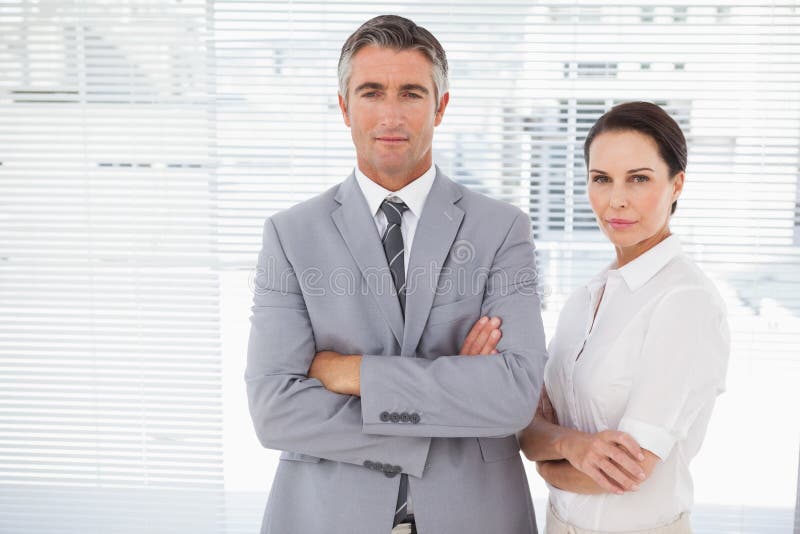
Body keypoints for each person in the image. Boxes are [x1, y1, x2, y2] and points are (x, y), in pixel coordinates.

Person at [245, 15, 547, 534]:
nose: (390, 114)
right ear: (344, 107)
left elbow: (515, 394)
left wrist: (353, 374)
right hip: (326, 516)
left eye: (410, 92)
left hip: (474, 515)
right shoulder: (290, 235)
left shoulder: (502, 230)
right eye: (370, 92)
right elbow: (274, 410)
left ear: (440, 106)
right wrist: (453, 396)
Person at [514, 101, 731, 533]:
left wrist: (550, 462)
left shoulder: (685, 302)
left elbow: (625, 472)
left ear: (677, 185)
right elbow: (526, 429)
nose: (616, 200)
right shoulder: (585, 298)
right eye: (601, 179)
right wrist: (571, 445)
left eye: (639, 179)